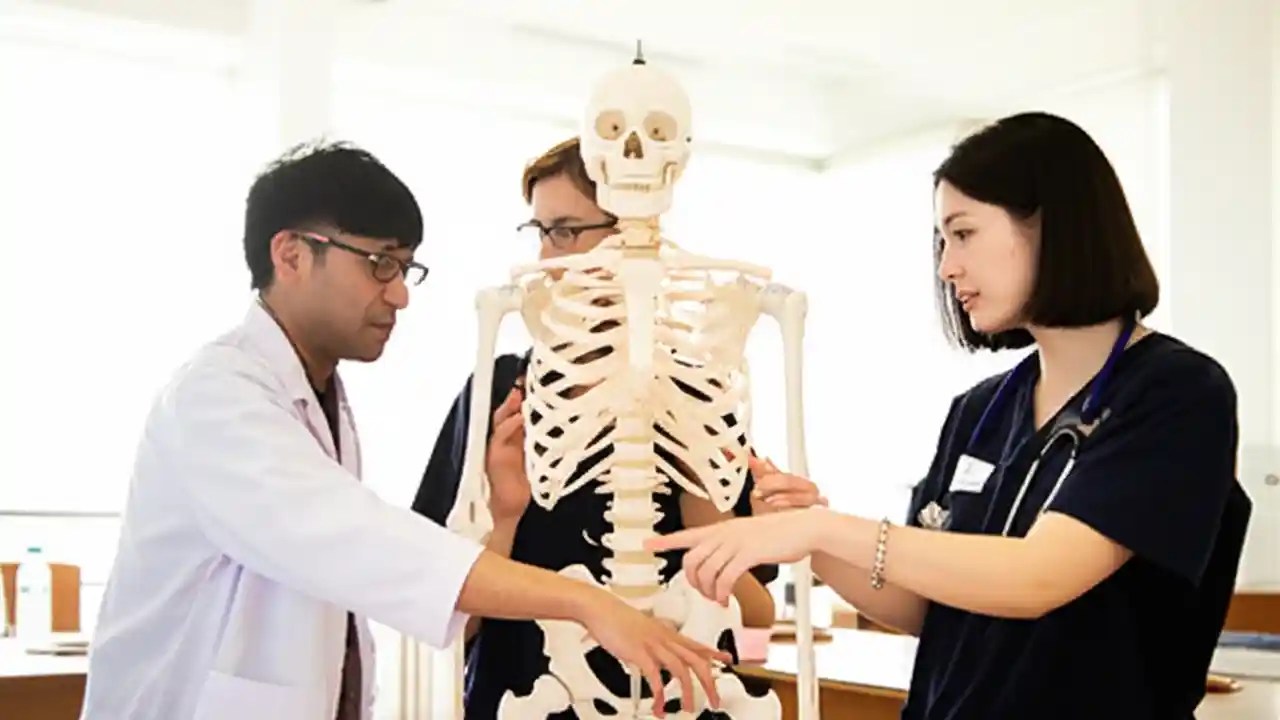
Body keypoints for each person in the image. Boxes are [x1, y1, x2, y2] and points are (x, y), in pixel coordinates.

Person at [80, 141, 730, 720]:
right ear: (292, 254)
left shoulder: (318, 398)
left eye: (405, 269)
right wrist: (588, 602)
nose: (400, 296)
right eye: (380, 265)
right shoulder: (217, 399)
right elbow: (368, 545)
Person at [646, 112, 1253, 719]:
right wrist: (806, 529)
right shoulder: (981, 411)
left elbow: (1039, 577)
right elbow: (920, 604)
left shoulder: (1177, 393)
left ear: (1052, 223)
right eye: (943, 242)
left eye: (963, 234)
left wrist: (826, 531)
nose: (946, 268)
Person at [412, 137, 779, 719]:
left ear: (635, 235)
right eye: (538, 231)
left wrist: (700, 499)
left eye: (563, 231)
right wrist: (504, 515)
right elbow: (437, 607)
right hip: (522, 700)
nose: (545, 257)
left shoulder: (697, 393)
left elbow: (754, 615)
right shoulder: (501, 390)